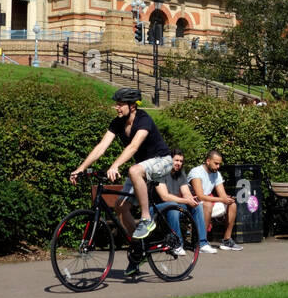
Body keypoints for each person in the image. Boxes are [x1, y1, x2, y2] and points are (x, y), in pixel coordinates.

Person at [71, 88, 173, 277]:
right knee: (120, 207)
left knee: (133, 170)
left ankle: (146, 219)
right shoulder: (117, 123)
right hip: (144, 166)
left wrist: (115, 165)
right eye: (116, 104)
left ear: (132, 106)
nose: (116, 107)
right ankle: (139, 248)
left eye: (120, 104)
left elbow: (134, 146)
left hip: (163, 161)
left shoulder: (144, 120)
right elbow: (101, 146)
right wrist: (81, 168)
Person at [154, 149, 211, 255]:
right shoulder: (159, 173)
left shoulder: (180, 174)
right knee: (173, 205)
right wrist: (186, 200)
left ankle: (202, 243)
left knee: (196, 206)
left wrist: (191, 199)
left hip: (174, 207)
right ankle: (177, 244)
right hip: (158, 208)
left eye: (181, 161)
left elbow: (186, 192)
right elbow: (164, 197)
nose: (178, 163)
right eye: (176, 160)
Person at [189, 151, 242, 250]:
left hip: (207, 202)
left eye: (219, 164)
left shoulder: (216, 174)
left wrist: (227, 199)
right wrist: (222, 199)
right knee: (207, 204)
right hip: (195, 203)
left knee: (232, 205)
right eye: (216, 163)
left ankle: (226, 240)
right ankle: (201, 242)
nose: (218, 166)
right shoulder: (196, 172)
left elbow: (222, 195)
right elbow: (200, 196)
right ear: (208, 161)